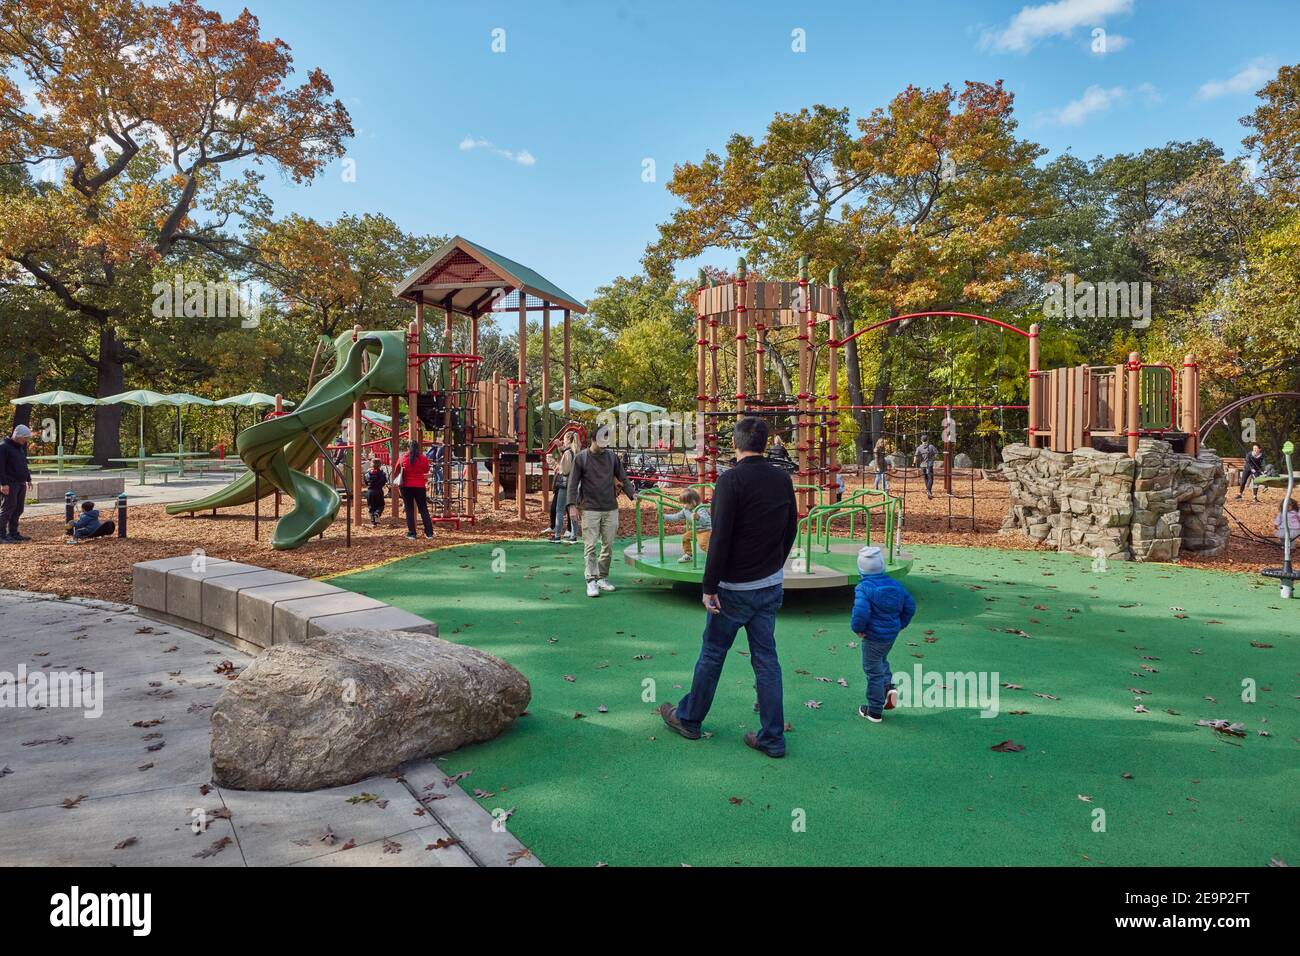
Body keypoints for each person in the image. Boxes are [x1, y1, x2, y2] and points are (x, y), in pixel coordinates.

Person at [659, 416, 798, 758]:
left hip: (734, 588)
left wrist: (709, 585)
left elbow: (719, 537)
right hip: (768, 584)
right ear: (764, 443)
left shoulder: (730, 481)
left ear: (735, 444)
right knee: (766, 660)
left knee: (713, 653)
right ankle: (772, 737)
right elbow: (791, 527)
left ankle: (690, 719)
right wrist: (775, 565)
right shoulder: (782, 480)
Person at [568, 425, 637, 597]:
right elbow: (572, 483)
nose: (605, 443)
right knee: (590, 545)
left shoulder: (611, 457)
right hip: (590, 508)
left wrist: (632, 494)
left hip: (610, 507)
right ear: (593, 440)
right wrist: (571, 506)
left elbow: (622, 476)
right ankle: (591, 580)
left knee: (608, 545)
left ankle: (602, 577)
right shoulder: (581, 458)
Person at [851, 545, 916, 723]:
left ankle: (874, 710)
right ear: (882, 566)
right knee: (881, 659)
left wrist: (858, 629)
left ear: (860, 569)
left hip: (873, 636)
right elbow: (910, 606)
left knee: (873, 671)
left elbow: (860, 612)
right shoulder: (896, 585)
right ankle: (888, 687)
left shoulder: (863, 588)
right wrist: (900, 624)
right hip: (890, 635)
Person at [392, 440, 433, 539]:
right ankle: (429, 533)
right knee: (423, 509)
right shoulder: (422, 458)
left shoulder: (402, 458)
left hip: (406, 486)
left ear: (408, 448)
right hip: (419, 486)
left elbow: (396, 470)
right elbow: (426, 470)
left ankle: (412, 533)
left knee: (409, 510)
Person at [0, 424, 33, 544]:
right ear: (18, 436)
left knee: (18, 509)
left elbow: (24, 464)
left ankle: (13, 533)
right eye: (25, 437)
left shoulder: (20, 447)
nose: (26, 440)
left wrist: (28, 479)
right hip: (9, 483)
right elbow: (1, 467)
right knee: (8, 509)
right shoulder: (3, 447)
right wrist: (3, 484)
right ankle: (1, 535)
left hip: (20, 483)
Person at [663, 488, 712, 563]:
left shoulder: (700, 509)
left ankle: (714, 556)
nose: (684, 506)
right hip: (696, 530)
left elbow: (705, 521)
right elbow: (676, 516)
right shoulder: (685, 510)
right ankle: (688, 555)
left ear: (694, 502)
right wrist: (664, 517)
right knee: (685, 537)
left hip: (705, 530)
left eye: (686, 503)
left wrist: (698, 517)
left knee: (703, 544)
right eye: (683, 503)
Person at [550, 431, 581, 543]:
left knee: (559, 509)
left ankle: (557, 534)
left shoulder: (568, 453)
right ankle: (573, 534)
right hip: (575, 483)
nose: (563, 441)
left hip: (565, 483)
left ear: (568, 439)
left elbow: (565, 470)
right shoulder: (577, 452)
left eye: (564, 439)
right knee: (572, 509)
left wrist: (556, 465)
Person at [364, 459, 389, 527]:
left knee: (371, 507)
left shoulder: (367, 474)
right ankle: (377, 513)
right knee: (381, 505)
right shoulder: (382, 474)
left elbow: (366, 482)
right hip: (379, 491)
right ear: (380, 465)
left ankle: (373, 523)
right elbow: (384, 482)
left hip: (370, 492)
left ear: (371, 465)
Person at [914, 434, 938, 499]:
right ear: (928, 440)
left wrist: (914, 463)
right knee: (931, 479)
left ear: (921, 440)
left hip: (922, 465)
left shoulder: (919, 448)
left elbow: (916, 456)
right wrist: (933, 458)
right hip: (929, 465)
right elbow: (936, 454)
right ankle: (928, 490)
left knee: (925, 478)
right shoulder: (931, 446)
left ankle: (928, 491)